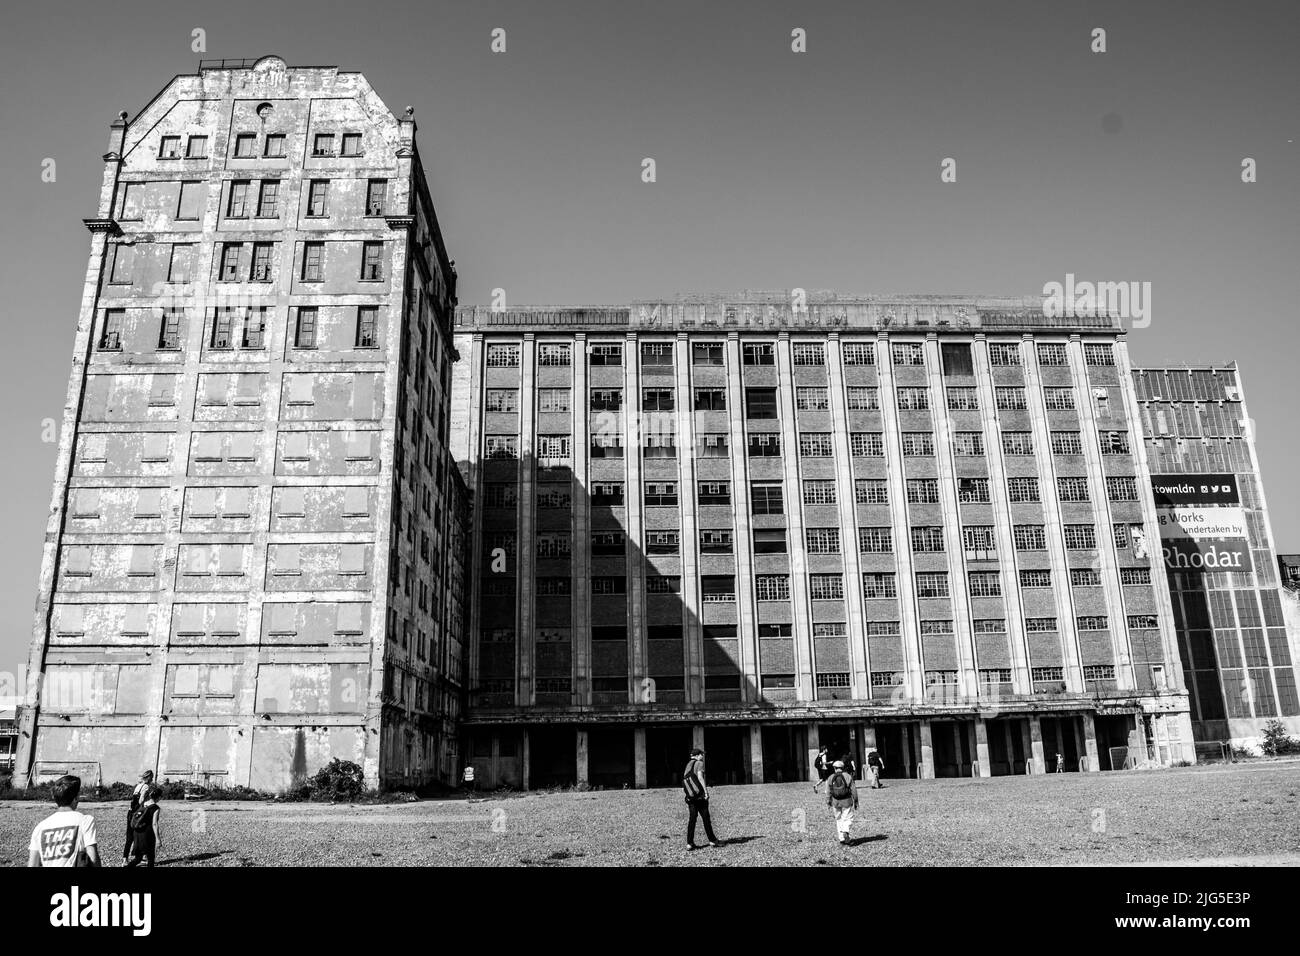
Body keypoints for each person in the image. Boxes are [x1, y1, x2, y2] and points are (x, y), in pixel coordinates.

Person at [27, 774, 101, 868]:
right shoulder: (85, 821)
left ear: (55, 798)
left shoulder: (40, 827)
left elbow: (33, 864)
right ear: (76, 797)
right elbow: (92, 857)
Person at [682, 747, 721, 851]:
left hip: (690, 796)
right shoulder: (699, 763)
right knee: (706, 818)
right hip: (699, 796)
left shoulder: (688, 764)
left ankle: (689, 843)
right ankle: (712, 840)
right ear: (697, 755)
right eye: (701, 754)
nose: (702, 756)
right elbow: (700, 777)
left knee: (692, 819)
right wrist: (706, 791)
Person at [125, 785, 162, 868]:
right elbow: (154, 824)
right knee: (151, 859)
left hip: (137, 833)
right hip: (147, 835)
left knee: (138, 858)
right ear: (158, 797)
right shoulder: (155, 808)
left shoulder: (143, 803)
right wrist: (158, 839)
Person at [825, 760, 859, 845]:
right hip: (847, 801)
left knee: (838, 819)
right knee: (848, 818)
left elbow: (828, 791)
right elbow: (853, 790)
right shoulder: (848, 776)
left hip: (835, 802)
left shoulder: (830, 777)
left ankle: (842, 839)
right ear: (843, 768)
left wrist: (828, 802)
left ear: (834, 768)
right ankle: (845, 831)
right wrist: (856, 801)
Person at [124, 769, 154, 864]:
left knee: (129, 837)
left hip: (130, 812)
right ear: (149, 778)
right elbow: (141, 801)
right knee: (141, 835)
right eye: (152, 778)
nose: (152, 779)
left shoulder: (138, 786)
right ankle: (141, 857)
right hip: (137, 813)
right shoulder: (146, 787)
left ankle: (125, 859)